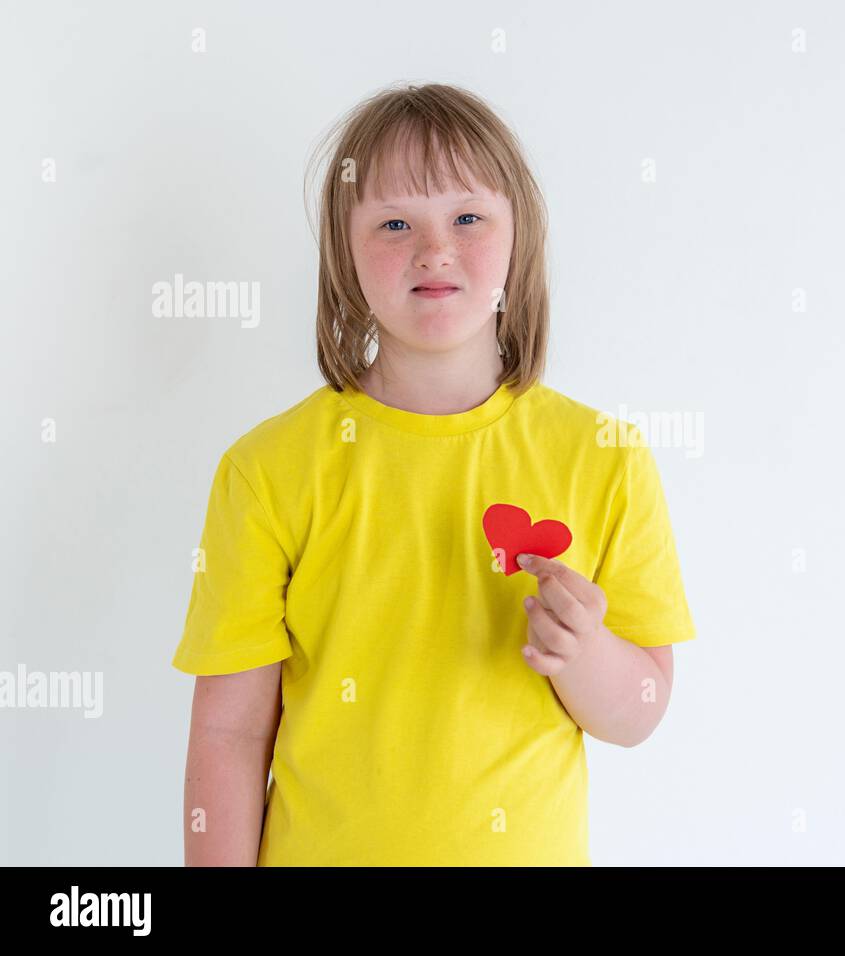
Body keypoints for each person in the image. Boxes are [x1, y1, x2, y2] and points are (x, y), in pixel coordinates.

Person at [172, 83, 696, 866]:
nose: (434, 249)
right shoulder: (268, 470)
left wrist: (583, 655)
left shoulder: (604, 457)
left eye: (467, 218)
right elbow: (230, 730)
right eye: (393, 223)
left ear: (519, 237)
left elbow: (639, 714)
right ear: (343, 257)